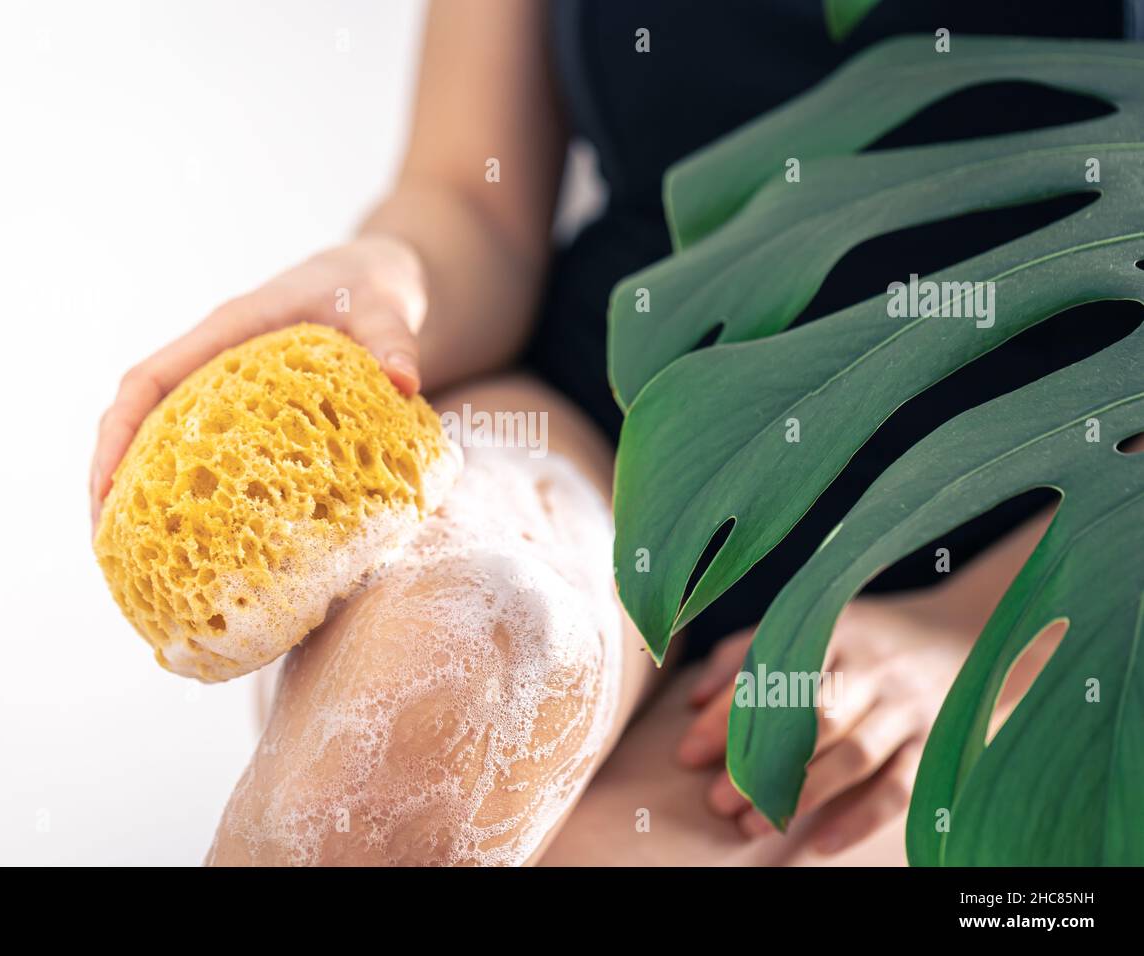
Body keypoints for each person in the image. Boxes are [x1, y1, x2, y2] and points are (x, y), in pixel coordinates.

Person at [89, 1, 1139, 865]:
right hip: (627, 410)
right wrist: (392, 280)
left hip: (1048, 508)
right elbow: (471, 199)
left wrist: (977, 633)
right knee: (441, 666)